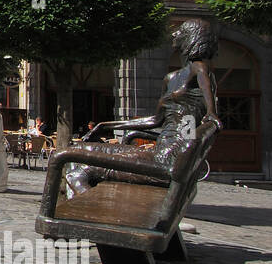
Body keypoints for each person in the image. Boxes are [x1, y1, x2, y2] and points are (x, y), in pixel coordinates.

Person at [63, 19, 221, 198]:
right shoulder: (171, 78)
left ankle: (88, 215)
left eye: (181, 31)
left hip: (165, 160)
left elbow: (204, 84)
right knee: (74, 156)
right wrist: (106, 125)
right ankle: (83, 214)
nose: (175, 34)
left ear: (194, 38)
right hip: (160, 152)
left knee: (75, 169)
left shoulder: (199, 69)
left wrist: (211, 112)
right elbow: (155, 121)